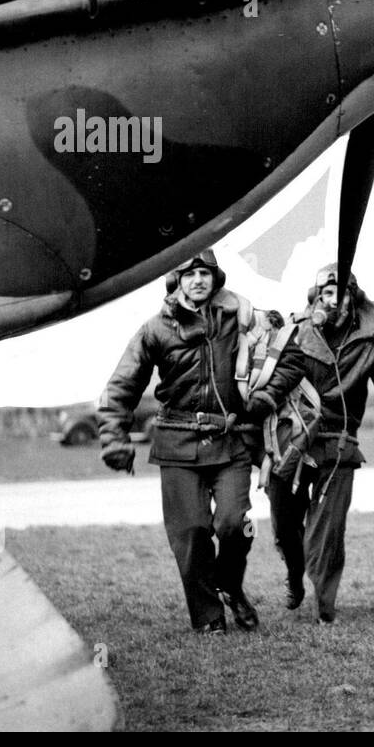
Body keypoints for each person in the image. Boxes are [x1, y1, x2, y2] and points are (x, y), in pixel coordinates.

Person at [98, 250, 266, 634]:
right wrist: (114, 438)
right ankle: (208, 618)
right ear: (176, 281)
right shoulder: (155, 329)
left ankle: (230, 585)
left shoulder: (241, 320)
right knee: (190, 534)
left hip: (230, 441)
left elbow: (276, 351)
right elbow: (120, 388)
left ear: (215, 278)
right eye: (188, 274)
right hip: (177, 442)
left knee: (234, 525)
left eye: (205, 272)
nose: (198, 280)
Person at [245, 266, 374, 624]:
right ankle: (294, 577)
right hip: (288, 447)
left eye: (342, 294)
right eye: (328, 293)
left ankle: (324, 604)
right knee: (285, 528)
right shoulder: (291, 336)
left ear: (354, 300)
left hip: (338, 447)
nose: (335, 301)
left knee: (328, 531)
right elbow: (260, 380)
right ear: (316, 297)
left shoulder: (370, 346)